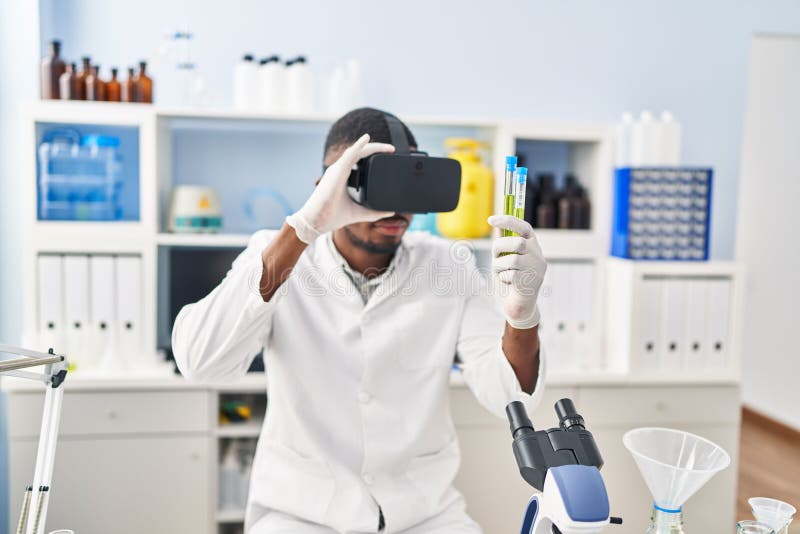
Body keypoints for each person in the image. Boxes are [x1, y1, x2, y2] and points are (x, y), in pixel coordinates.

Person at [172, 108, 548, 534]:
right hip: (301, 516)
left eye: (410, 184)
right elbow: (200, 363)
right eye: (378, 185)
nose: (397, 208)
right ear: (329, 188)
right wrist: (303, 230)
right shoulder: (279, 252)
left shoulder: (448, 265)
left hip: (424, 515)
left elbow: (510, 397)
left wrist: (521, 314)